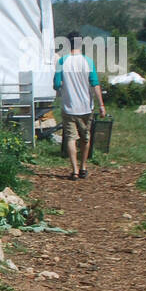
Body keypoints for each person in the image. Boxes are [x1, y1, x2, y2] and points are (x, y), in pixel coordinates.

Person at [54, 31, 106, 180]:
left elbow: (57, 84)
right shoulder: (88, 61)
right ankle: (83, 167)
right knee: (85, 138)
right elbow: (95, 83)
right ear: (81, 43)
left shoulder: (62, 61)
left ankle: (74, 170)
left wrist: (62, 87)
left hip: (69, 106)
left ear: (68, 43)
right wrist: (101, 105)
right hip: (86, 106)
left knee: (70, 137)